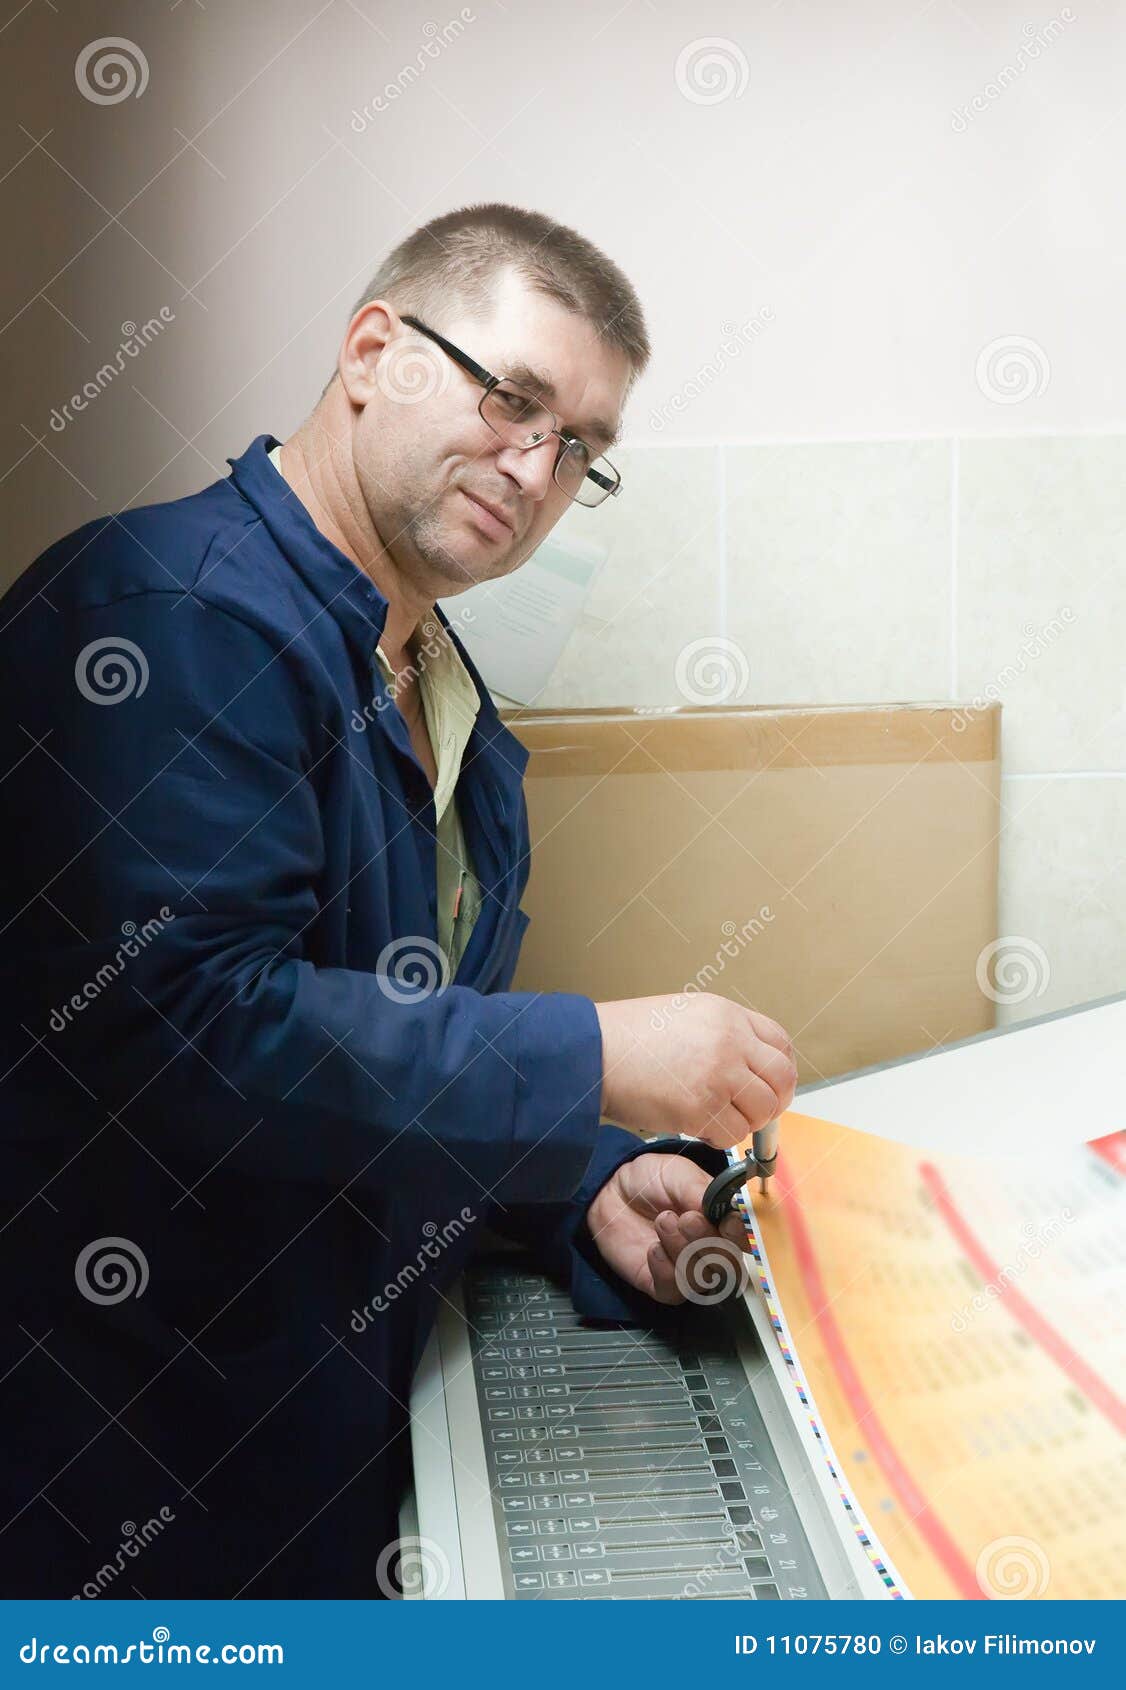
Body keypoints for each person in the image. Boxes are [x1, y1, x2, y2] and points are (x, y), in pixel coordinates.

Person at [0, 203, 796, 1598]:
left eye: (580, 450)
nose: (536, 467)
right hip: (133, 1477)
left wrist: (587, 1191)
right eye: (512, 400)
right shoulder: (167, 614)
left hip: (321, 1426)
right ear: (373, 349)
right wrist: (598, 1055)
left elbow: (395, 1056)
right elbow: (190, 1033)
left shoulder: (433, 683)